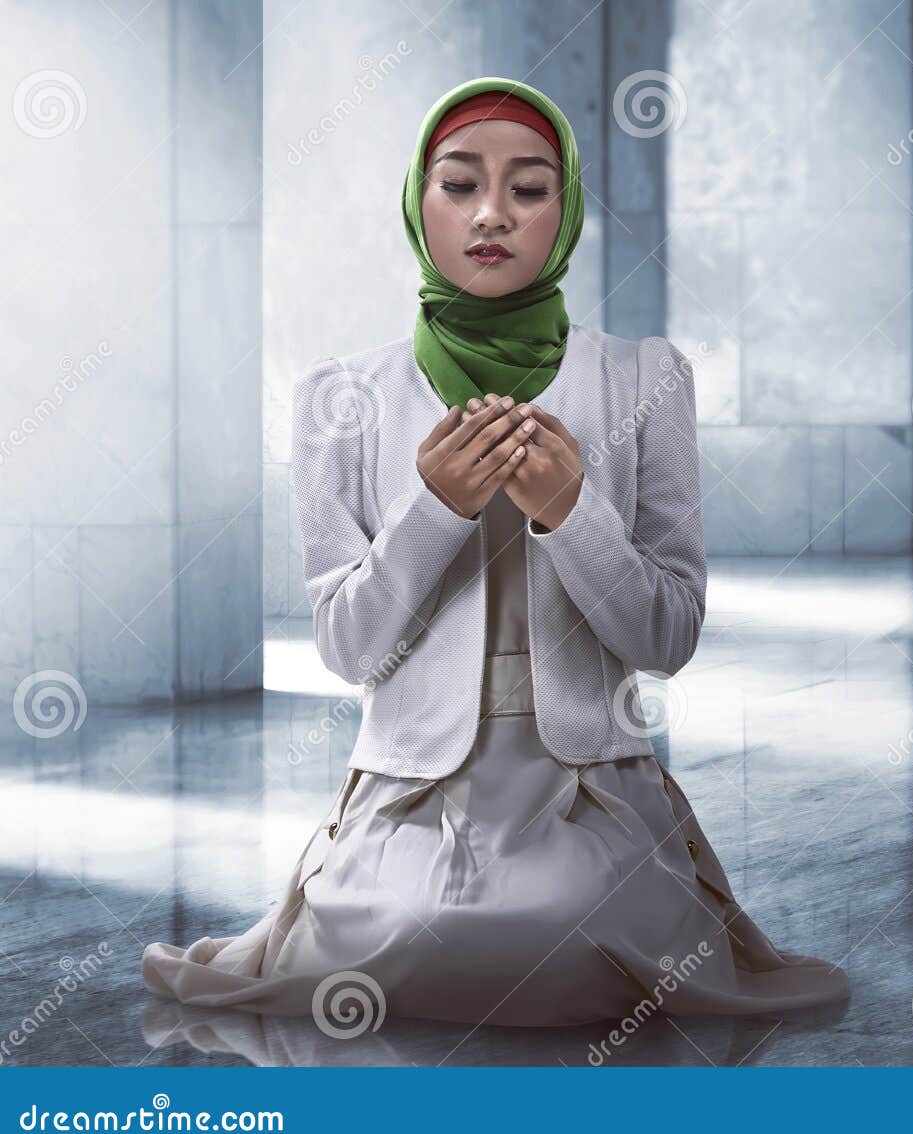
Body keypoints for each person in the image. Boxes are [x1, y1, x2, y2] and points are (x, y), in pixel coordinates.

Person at [141, 77, 851, 1029]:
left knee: (565, 927)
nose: (491, 214)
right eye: (459, 182)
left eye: (528, 188)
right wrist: (435, 508)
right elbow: (350, 648)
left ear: (565, 215)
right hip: (410, 792)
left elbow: (668, 636)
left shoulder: (643, 378)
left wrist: (572, 511)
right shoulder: (340, 396)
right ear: (417, 204)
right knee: (416, 929)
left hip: (589, 788)